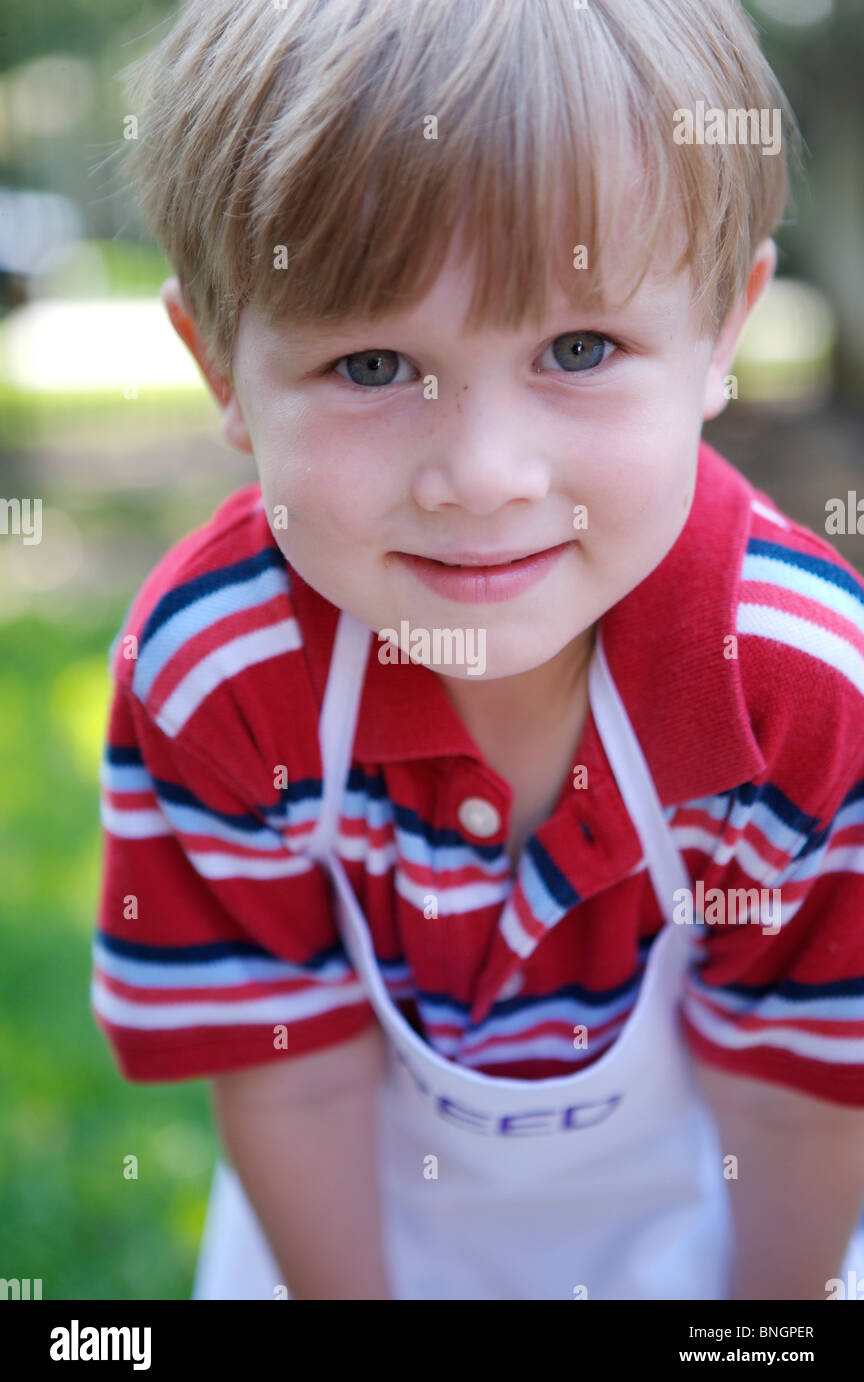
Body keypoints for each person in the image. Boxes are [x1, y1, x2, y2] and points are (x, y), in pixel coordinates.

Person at [92, 0, 864, 1300]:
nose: (483, 475)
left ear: (723, 333)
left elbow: (798, 1086)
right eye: (374, 362)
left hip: (717, 1236)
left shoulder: (800, 686)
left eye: (578, 348)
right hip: (346, 1234)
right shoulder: (217, 673)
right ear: (220, 364)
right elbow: (293, 1070)